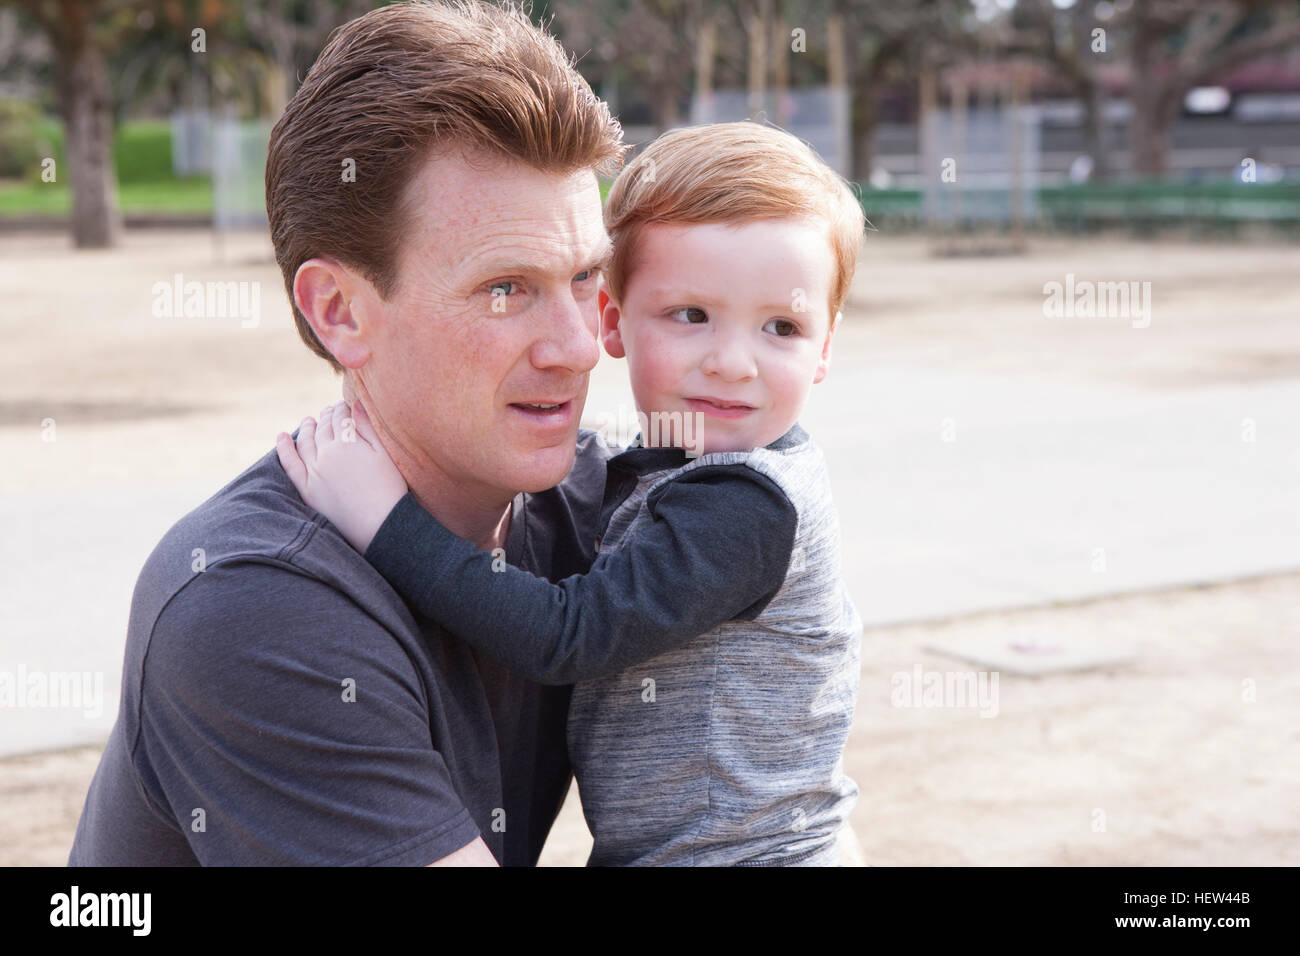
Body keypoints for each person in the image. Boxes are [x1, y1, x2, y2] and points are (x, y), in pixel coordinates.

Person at [67, 0, 626, 866]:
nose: (581, 346)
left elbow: (792, 805)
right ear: (339, 312)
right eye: (505, 289)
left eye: (586, 275)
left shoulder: (611, 515)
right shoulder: (249, 605)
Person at [277, 121, 866, 865]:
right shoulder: (676, 467)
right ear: (612, 322)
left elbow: (567, 636)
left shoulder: (748, 504)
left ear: (825, 349)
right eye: (692, 316)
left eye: (781, 327)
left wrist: (385, 522)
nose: (732, 363)